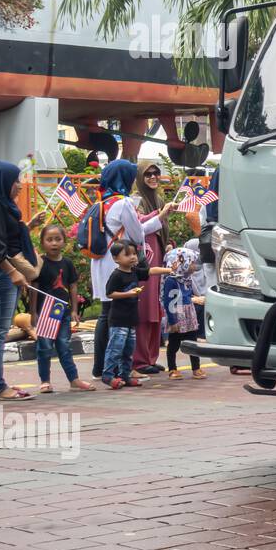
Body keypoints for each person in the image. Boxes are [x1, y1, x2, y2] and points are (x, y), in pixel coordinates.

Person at [89, 160, 175, 382]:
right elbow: (137, 235)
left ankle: (101, 367)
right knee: (117, 317)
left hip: (100, 261)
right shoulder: (124, 203)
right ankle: (118, 367)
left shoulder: (102, 202)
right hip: (117, 262)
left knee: (105, 314)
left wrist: (158, 218)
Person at [0, 161, 37, 401]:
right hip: (1, 275)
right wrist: (13, 273)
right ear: (1, 181)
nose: (20, 186)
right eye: (15, 181)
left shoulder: (0, 205)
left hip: (4, 275)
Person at [30, 223, 92, 392]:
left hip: (63, 312)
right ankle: (45, 381)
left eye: (58, 239)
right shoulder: (40, 263)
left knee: (64, 346)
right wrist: (33, 312)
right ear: (42, 243)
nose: (54, 243)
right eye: (49, 240)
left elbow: (72, 286)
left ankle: (74, 379)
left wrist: (74, 310)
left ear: (64, 242)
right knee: (44, 347)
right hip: (44, 313)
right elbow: (33, 288)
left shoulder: (68, 263)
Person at [102, 242, 169, 389]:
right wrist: (129, 294)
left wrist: (169, 269)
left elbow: (151, 271)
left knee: (128, 350)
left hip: (131, 319)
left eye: (134, 253)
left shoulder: (134, 272)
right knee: (115, 349)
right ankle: (108, 376)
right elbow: (110, 293)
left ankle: (124, 375)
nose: (132, 257)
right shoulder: (116, 275)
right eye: (127, 254)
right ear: (116, 259)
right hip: (118, 320)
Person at [131, 163, 169, 375]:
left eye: (156, 173)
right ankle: (140, 359)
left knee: (155, 307)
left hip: (158, 255)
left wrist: (168, 243)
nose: (153, 177)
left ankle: (151, 356)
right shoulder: (137, 199)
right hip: (145, 257)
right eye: (148, 174)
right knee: (144, 308)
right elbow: (139, 228)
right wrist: (160, 215)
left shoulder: (158, 198)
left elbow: (162, 231)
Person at [161, 244, 205, 379]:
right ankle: (172, 369)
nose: (194, 266)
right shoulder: (171, 281)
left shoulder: (186, 279)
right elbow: (169, 302)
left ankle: (196, 368)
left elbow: (188, 296)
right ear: (182, 263)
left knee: (192, 342)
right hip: (177, 315)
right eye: (191, 263)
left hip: (188, 314)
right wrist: (173, 321)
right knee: (174, 343)